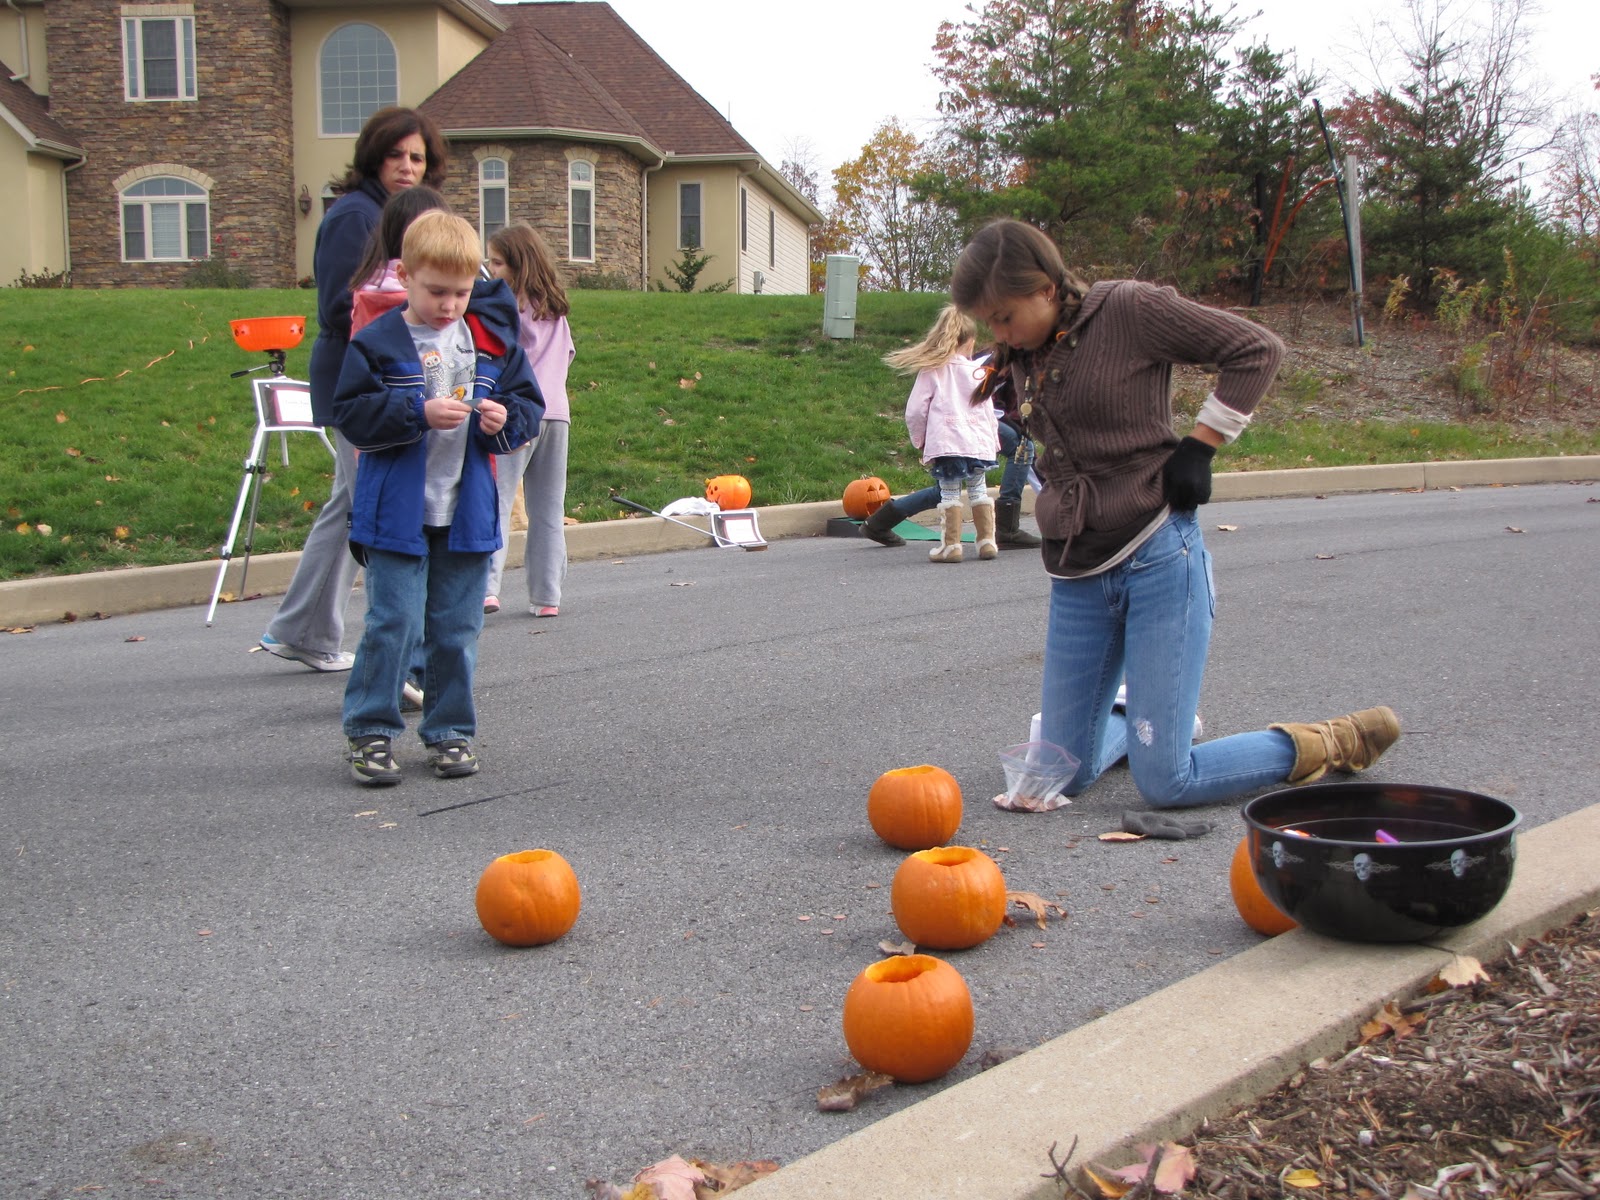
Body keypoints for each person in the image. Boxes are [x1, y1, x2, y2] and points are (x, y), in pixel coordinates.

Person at [948, 218, 1400, 809]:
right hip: (1078, 569)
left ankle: (1328, 741)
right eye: (989, 321)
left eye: (1004, 316)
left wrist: (1201, 443)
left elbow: (1255, 349)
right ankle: (1144, 723)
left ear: (1046, 289)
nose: (998, 330)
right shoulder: (1028, 350)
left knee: (1167, 782)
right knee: (1061, 775)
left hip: (1158, 553)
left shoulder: (1129, 310)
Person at [333, 211, 544, 785]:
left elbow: (530, 408)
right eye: (436, 292)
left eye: (460, 292)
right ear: (405, 276)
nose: (449, 305)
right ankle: (370, 731)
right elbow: (350, 414)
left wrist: (504, 419)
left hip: (467, 511)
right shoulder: (377, 342)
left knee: (456, 628)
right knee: (392, 623)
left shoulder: (491, 343)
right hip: (396, 513)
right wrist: (416, 413)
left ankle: (450, 732)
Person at [257, 106, 448, 673]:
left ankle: (301, 630)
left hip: (389, 383)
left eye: (417, 157)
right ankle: (354, 646)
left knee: (350, 504)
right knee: (367, 506)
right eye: (396, 155)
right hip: (358, 382)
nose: (407, 167)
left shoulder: (406, 217)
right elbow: (341, 306)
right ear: (373, 157)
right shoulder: (354, 215)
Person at [480, 222, 576, 618]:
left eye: (497, 262)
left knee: (497, 502)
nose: (491, 268)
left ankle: (486, 588)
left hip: (517, 412)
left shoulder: (504, 306)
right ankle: (547, 596)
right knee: (548, 509)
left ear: (517, 266)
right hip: (557, 413)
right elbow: (568, 356)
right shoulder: (555, 309)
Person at [862, 364, 1041, 552]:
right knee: (1021, 448)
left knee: (947, 488)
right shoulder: (996, 358)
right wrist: (922, 441)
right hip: (972, 422)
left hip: (965, 422)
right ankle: (1002, 531)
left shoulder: (977, 360)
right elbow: (989, 403)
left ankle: (879, 523)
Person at [881, 306, 1001, 563]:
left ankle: (951, 546)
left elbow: (915, 411)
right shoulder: (980, 374)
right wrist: (993, 442)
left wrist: (920, 440)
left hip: (947, 444)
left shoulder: (932, 371)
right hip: (978, 445)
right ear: (970, 341)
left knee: (949, 492)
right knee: (979, 489)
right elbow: (989, 412)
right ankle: (987, 542)